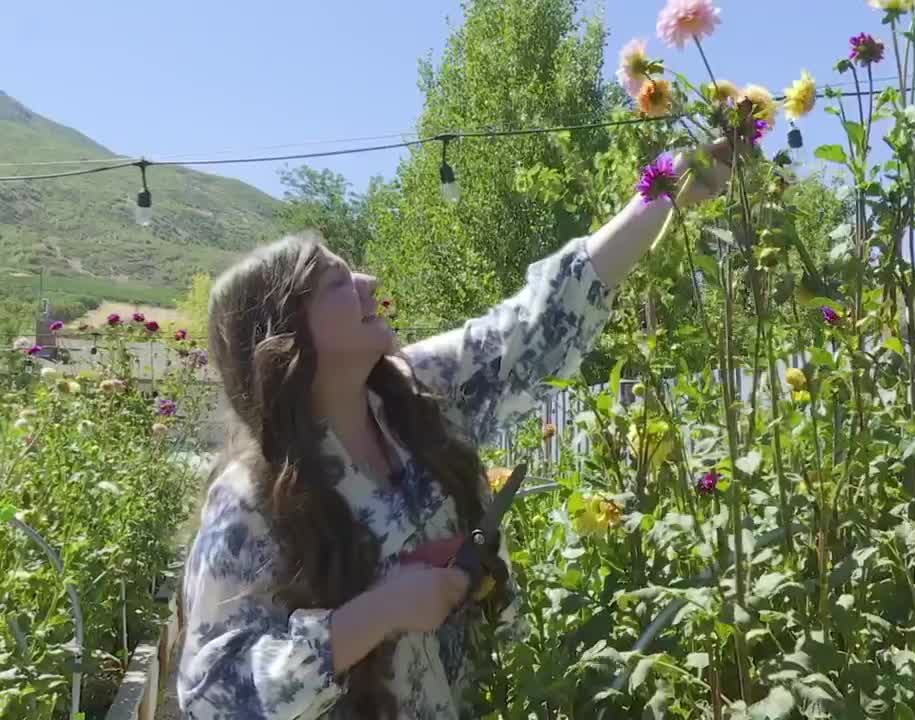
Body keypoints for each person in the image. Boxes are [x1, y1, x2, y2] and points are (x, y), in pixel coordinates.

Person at [176, 141, 735, 720]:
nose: (368, 280)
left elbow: (534, 322)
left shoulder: (415, 393)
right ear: (287, 341)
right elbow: (212, 694)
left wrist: (661, 192)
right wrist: (376, 613)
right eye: (338, 283)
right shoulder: (252, 499)